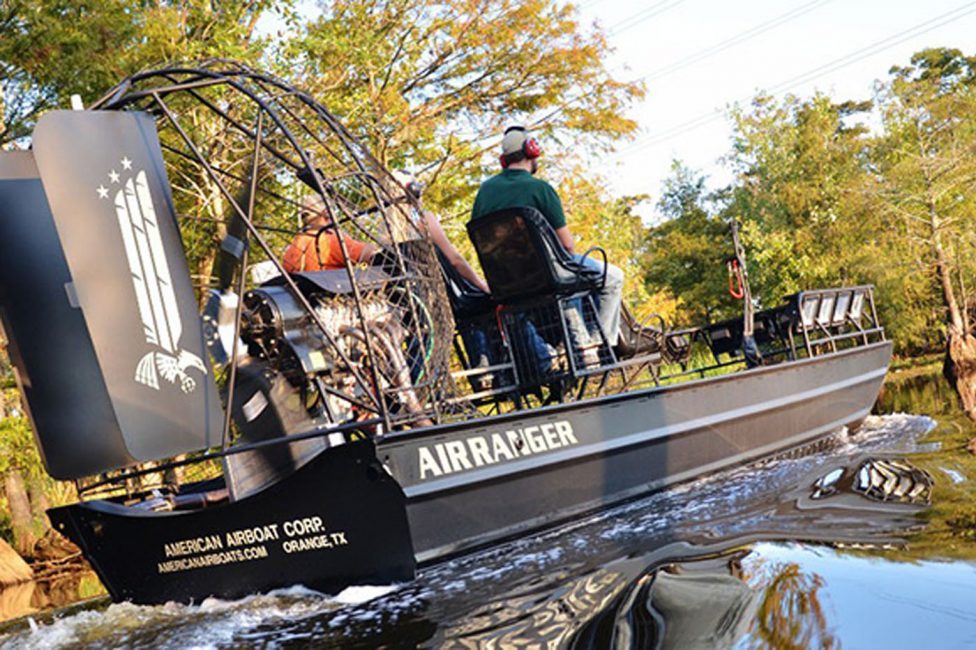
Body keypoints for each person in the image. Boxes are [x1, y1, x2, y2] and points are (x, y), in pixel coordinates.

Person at [470, 126, 625, 356]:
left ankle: (575, 344)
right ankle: (598, 344)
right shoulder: (540, 189)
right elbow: (567, 245)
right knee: (612, 277)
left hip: (506, 282)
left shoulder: (484, 192)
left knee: (572, 274)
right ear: (531, 151)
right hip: (548, 276)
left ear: (504, 159)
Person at [282, 195, 377, 272]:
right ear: (326, 213)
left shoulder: (294, 245)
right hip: (332, 292)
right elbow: (369, 254)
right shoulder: (330, 240)